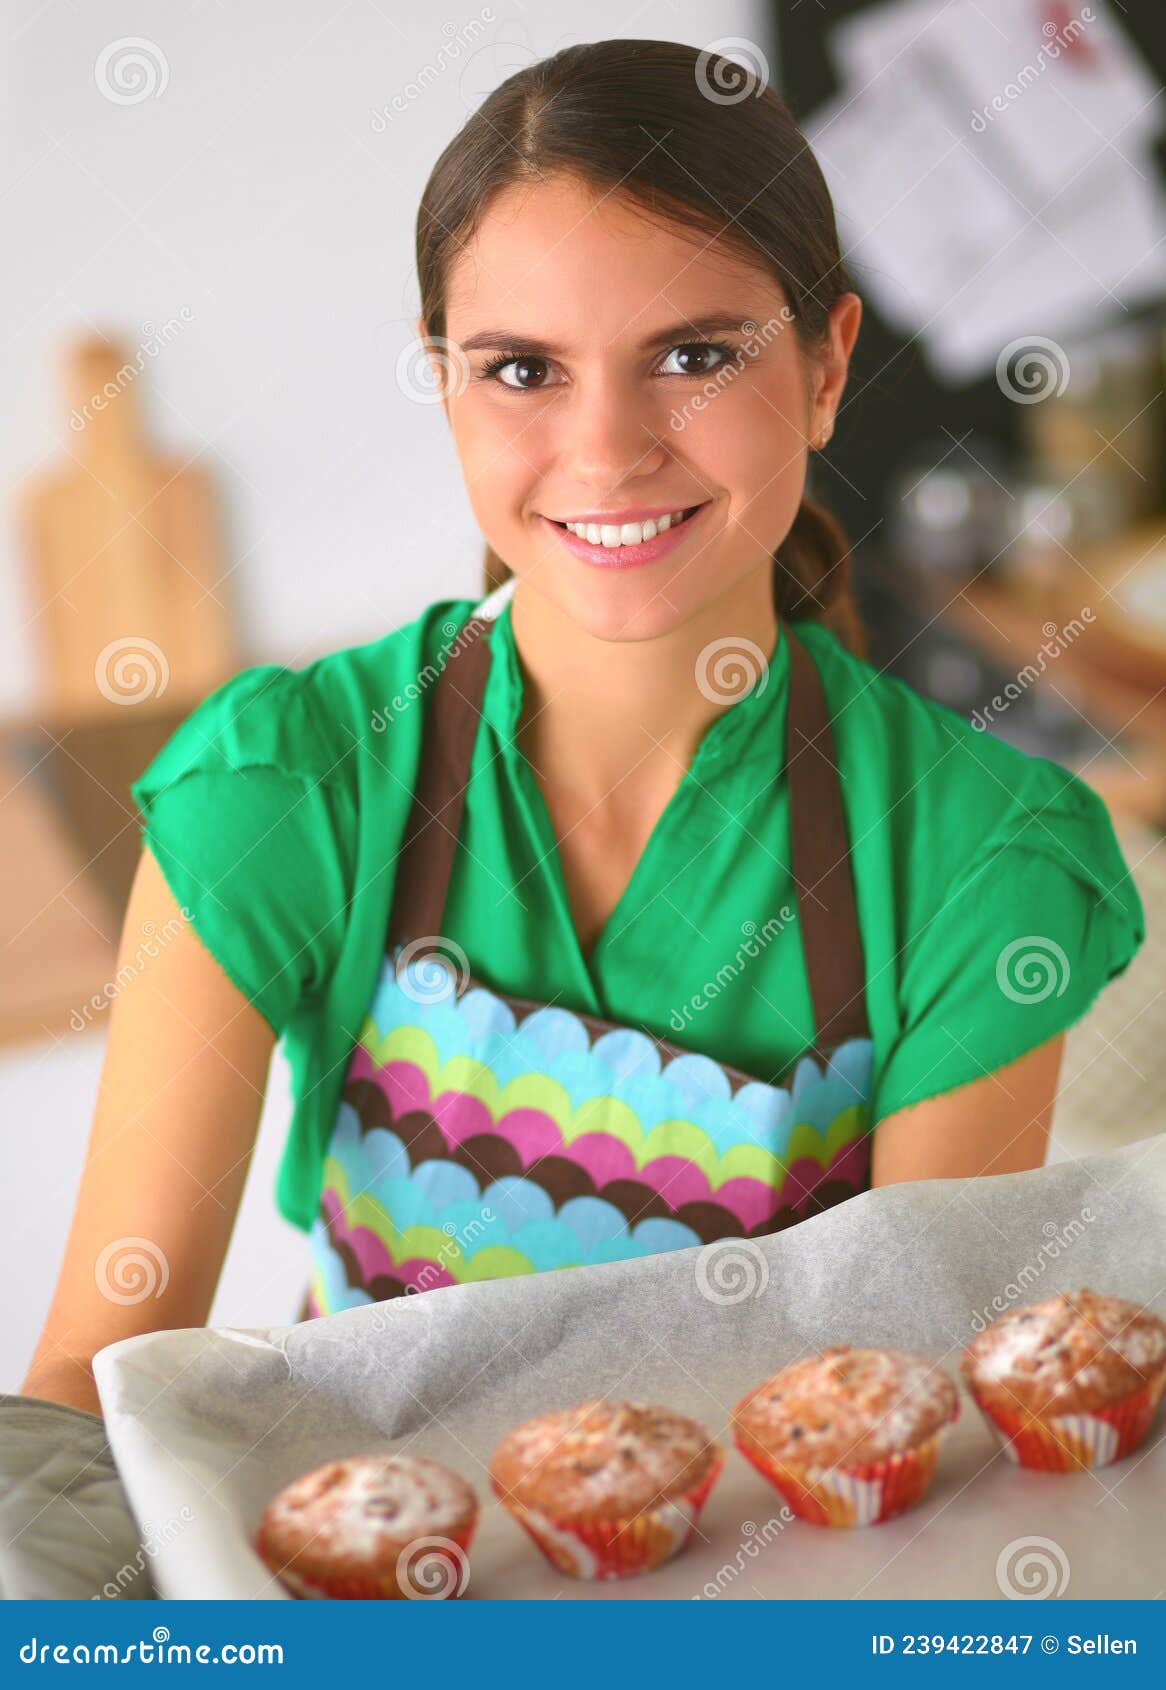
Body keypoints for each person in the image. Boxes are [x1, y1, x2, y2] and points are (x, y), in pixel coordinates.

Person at [23, 40, 1144, 1414]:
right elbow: (96, 1379)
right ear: (441, 381)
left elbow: (906, 1422)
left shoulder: (980, 857)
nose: (606, 449)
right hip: (346, 1569)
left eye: (691, 355)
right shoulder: (293, 779)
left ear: (824, 365)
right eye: (520, 370)